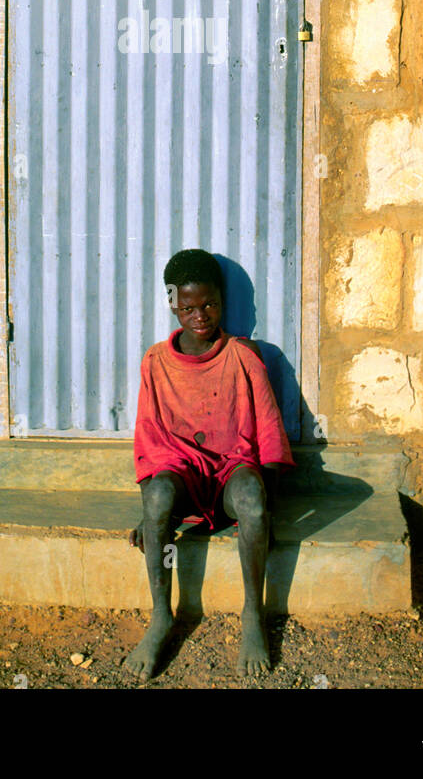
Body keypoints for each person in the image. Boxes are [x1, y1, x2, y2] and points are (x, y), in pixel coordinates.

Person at [124, 248, 294, 681]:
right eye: (188, 307)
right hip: (182, 476)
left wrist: (265, 514)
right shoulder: (155, 363)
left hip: (231, 473)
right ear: (172, 304)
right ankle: (162, 616)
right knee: (159, 495)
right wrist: (151, 512)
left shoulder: (242, 356)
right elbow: (149, 441)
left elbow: (270, 435)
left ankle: (253, 614)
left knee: (252, 499)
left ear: (222, 300)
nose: (200, 315)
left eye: (209, 304)